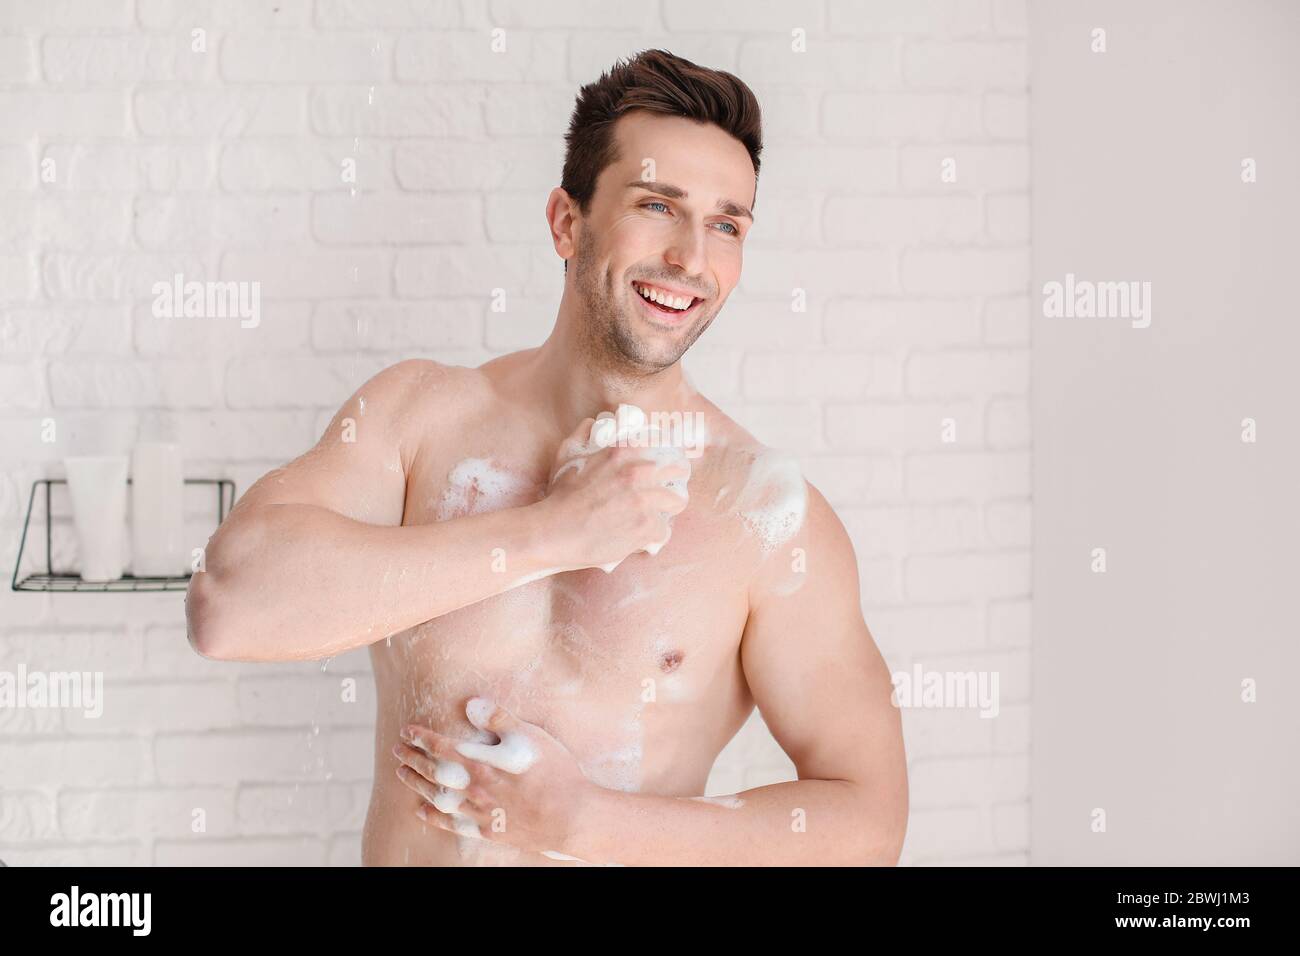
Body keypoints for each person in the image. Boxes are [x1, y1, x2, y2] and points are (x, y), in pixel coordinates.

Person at [186, 49, 907, 866]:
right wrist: (554, 533)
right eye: (658, 206)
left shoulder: (765, 514)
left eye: (726, 224)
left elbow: (867, 820)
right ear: (568, 222)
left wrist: (584, 824)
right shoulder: (421, 417)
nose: (691, 259)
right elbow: (228, 605)